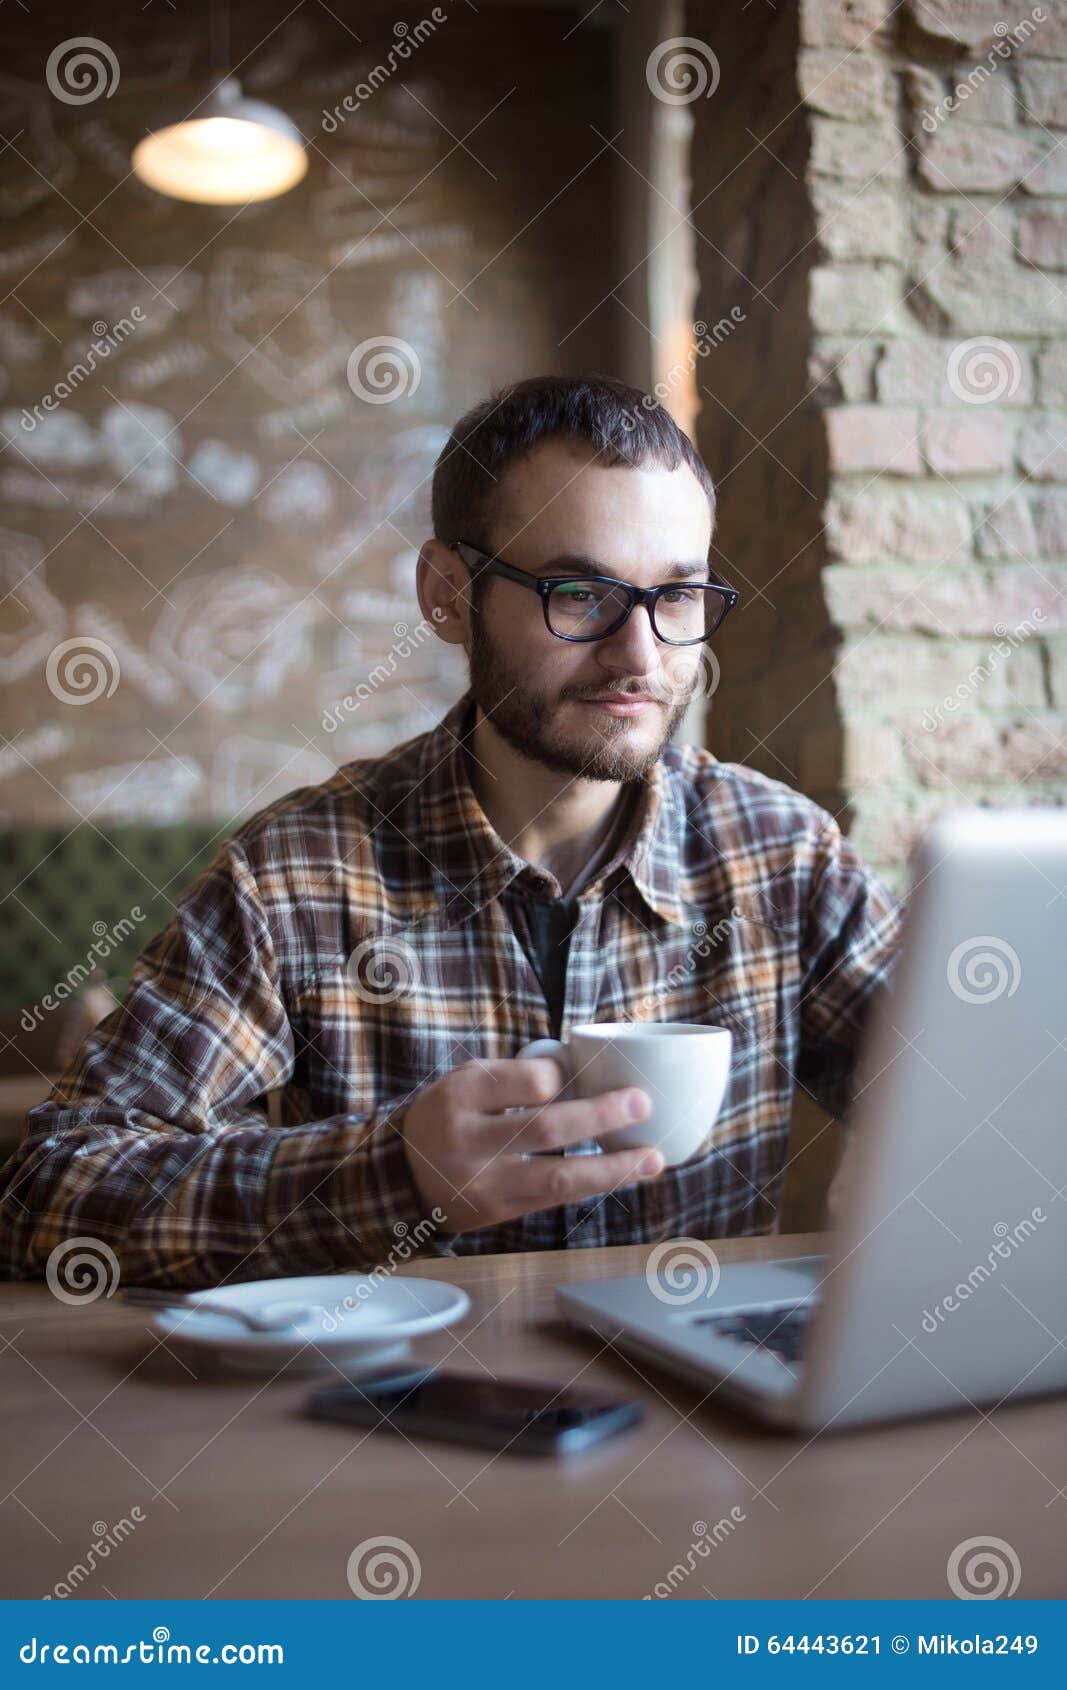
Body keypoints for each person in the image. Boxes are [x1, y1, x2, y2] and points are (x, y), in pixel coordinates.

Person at [0, 374, 904, 1289]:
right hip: (391, 1424)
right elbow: (48, 1195)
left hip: (703, 1415)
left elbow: (990, 1110)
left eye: (675, 598)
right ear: (446, 593)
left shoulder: (782, 856)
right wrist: (387, 1176)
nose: (640, 656)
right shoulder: (294, 878)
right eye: (579, 592)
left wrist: (927, 1169)